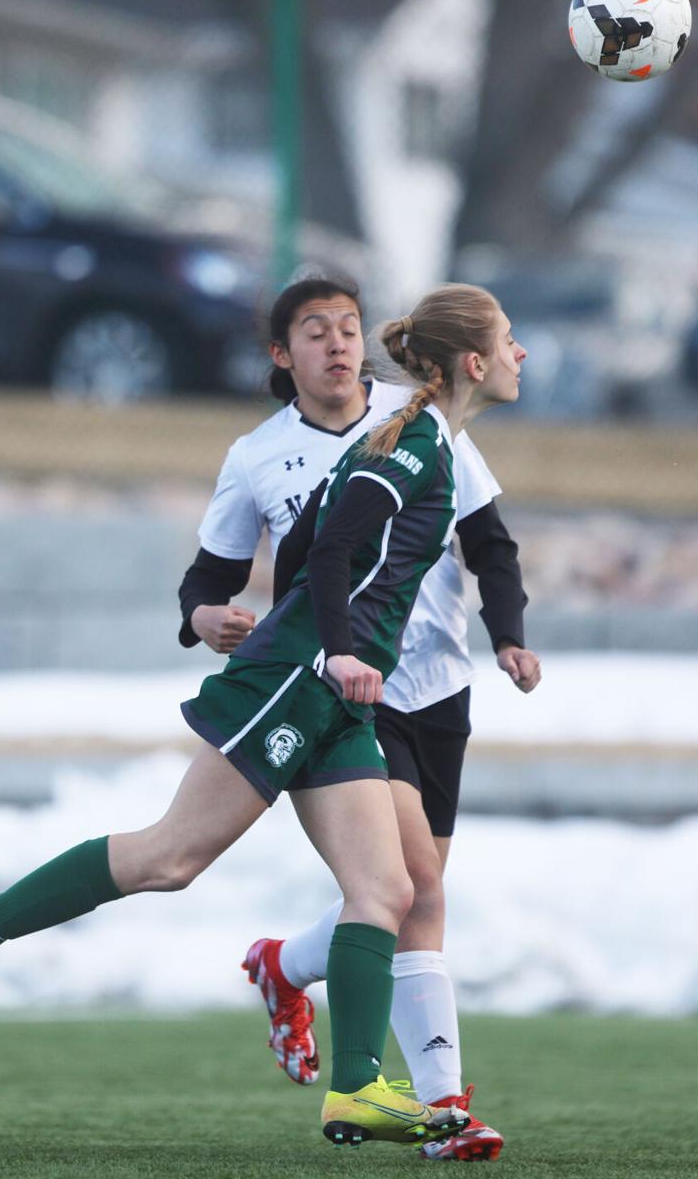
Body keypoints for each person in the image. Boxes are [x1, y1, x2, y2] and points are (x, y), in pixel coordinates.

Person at [0, 283, 524, 1150]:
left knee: (387, 892)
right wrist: (325, 644)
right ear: (475, 362)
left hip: (343, 692)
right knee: (170, 858)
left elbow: (317, 539)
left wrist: (360, 643)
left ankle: (355, 1088)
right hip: (301, 680)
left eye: (349, 329)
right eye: (509, 339)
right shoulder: (410, 445)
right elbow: (332, 549)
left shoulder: (422, 437)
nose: (521, 354)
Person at [178, 275, 540, 1161]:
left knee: (409, 896)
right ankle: (444, 1106)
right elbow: (235, 573)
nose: (339, 343)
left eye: (349, 327)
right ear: (282, 354)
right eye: (316, 331)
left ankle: (285, 965)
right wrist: (208, 618)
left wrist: (508, 636)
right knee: (412, 889)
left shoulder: (419, 421)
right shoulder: (260, 455)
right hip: (350, 692)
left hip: (436, 687)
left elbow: (489, 543)